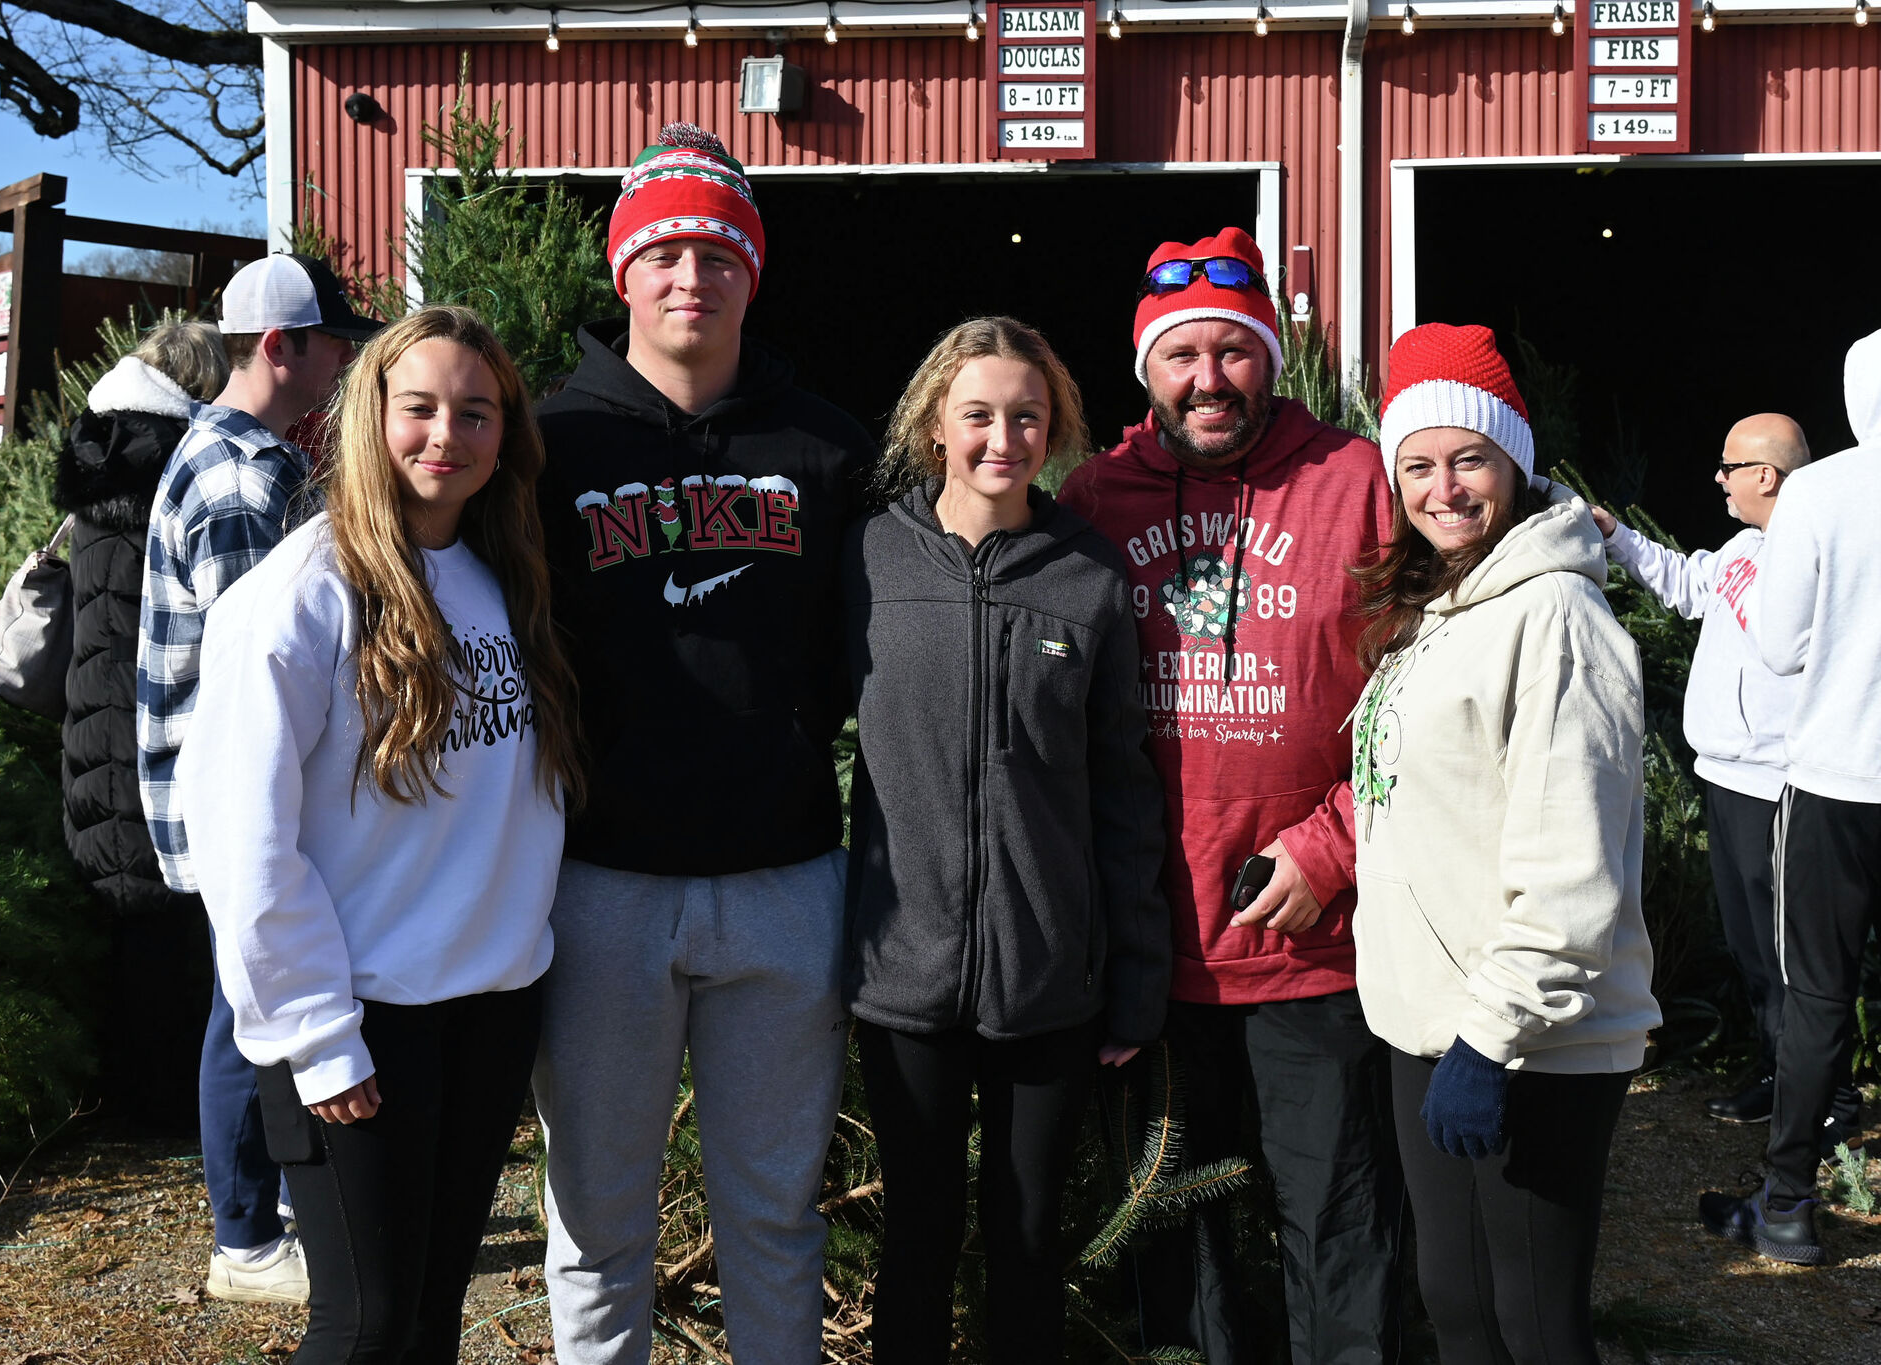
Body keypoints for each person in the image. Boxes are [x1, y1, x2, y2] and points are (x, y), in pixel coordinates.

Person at [529, 122, 876, 1365]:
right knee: (597, 1224)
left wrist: (784, 744)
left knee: (773, 1218)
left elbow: (855, 653)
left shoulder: (827, 448)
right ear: (624, 271)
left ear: (752, 273)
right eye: (664, 251)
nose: (691, 277)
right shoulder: (548, 446)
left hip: (784, 883)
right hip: (603, 888)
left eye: (718, 253)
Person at [179, 305, 580, 1361]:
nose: (445, 434)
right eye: (420, 408)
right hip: (359, 1018)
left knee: (431, 1316)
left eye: (476, 412)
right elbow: (242, 837)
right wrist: (316, 1035)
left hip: (487, 1010)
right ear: (369, 416)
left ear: (506, 437)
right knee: (363, 1326)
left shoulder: (504, 583)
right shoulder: (299, 597)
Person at [1057, 228, 1403, 1364]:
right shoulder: (1092, 498)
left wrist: (1335, 848)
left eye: (1232, 352)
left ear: (1271, 356)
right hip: (1154, 945)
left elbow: (1424, 704)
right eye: (1180, 355)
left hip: (1310, 938)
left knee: (1336, 1223)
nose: (1207, 379)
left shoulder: (1355, 484)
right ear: (1145, 368)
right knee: (1176, 1229)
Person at [842, 317, 1171, 1363]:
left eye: (1026, 416)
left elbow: (1120, 788)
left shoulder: (1085, 575)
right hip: (902, 979)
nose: (1002, 437)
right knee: (920, 1237)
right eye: (977, 415)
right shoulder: (869, 558)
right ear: (934, 425)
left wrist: (1133, 971)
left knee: (1028, 1241)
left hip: (1046, 983)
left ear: (1054, 429)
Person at [1351, 323, 1660, 1365]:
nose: (1443, 489)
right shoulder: (1442, 607)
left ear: (1515, 465)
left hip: (1527, 1036)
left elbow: (1572, 866)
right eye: (1418, 466)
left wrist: (1491, 1040)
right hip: (1429, 1021)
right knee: (1459, 1306)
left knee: (1530, 1323)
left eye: (1469, 459)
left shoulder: (1555, 618)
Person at [137, 252, 380, 1304]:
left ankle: (262, 1211)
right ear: (281, 347)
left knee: (246, 992)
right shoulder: (245, 479)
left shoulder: (227, 448)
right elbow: (264, 677)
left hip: (206, 788)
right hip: (227, 797)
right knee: (249, 1002)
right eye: (333, 344)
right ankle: (245, 1240)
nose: (343, 365)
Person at [1588, 417, 1862, 1133]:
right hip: (1728, 777)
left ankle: (1827, 1096)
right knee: (1749, 945)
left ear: (1766, 475)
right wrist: (1615, 534)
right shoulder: (1744, 548)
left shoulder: (1818, 550)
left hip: (1778, 783)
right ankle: (1780, 1074)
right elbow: (1685, 582)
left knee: (1787, 950)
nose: (1719, 476)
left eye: (1729, 465)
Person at [1702, 318, 1881, 1266]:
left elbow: (1780, 645)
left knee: (1817, 993)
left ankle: (1786, 1205)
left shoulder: (1825, 491)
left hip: (1834, 781)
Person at [54, 319, 230, 1134]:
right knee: (166, 927)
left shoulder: (97, 446)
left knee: (127, 923)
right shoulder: (172, 460)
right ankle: (163, 1111)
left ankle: (128, 1097)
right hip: (144, 713)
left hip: (93, 711)